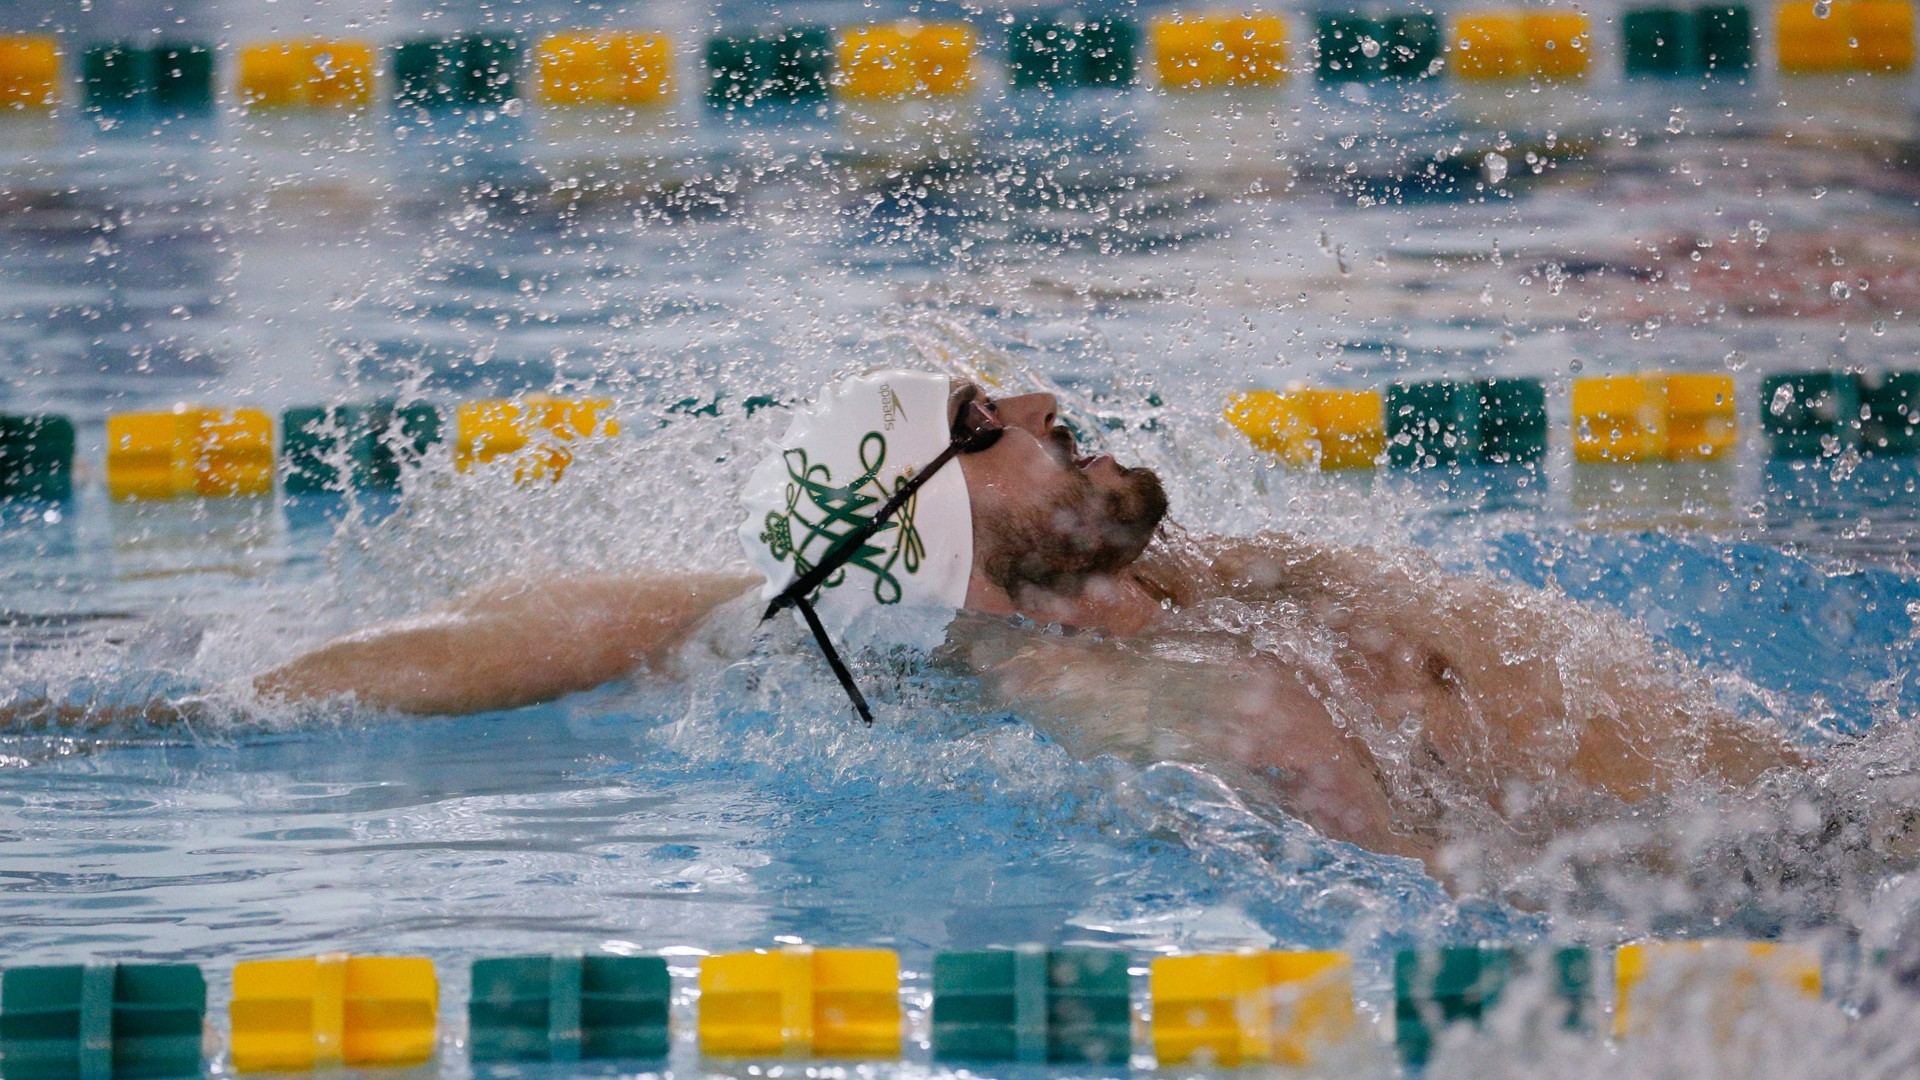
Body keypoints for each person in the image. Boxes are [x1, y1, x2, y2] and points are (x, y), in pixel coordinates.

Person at [250, 369, 1803, 881]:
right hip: (1764, 868)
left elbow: (620, 612)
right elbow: (1307, 780)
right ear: (959, 533)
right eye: (984, 418)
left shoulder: (1154, 587)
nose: (1044, 402)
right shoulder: (1123, 681)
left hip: (1791, 816)